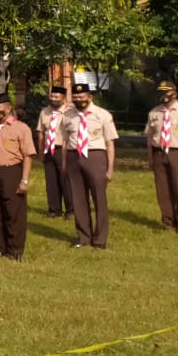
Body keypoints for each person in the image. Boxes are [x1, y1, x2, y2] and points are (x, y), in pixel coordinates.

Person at [0, 92, 35, 261]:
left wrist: (24, 180)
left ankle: (14, 250)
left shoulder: (21, 128)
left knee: (13, 212)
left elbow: (28, 156)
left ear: (8, 109)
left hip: (11, 172)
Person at [62, 82, 118, 249]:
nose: (79, 99)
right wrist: (65, 164)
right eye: (76, 97)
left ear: (90, 97)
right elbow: (65, 141)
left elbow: (110, 143)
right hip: (74, 156)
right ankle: (83, 237)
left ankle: (100, 239)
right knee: (78, 199)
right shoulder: (68, 115)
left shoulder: (102, 115)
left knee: (99, 199)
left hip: (95, 156)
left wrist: (110, 168)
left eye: (82, 96)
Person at [145, 80, 178, 233]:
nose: (163, 96)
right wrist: (150, 157)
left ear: (175, 94)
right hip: (159, 152)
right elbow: (150, 137)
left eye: (166, 93)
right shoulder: (154, 112)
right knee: (163, 189)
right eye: (161, 93)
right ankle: (167, 221)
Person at [35, 86, 71, 218]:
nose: (53, 99)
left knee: (66, 180)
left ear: (64, 98)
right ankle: (54, 209)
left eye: (56, 97)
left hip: (64, 149)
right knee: (51, 180)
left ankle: (71, 210)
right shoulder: (45, 112)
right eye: (51, 96)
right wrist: (40, 152)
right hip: (49, 149)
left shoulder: (71, 112)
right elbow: (40, 133)